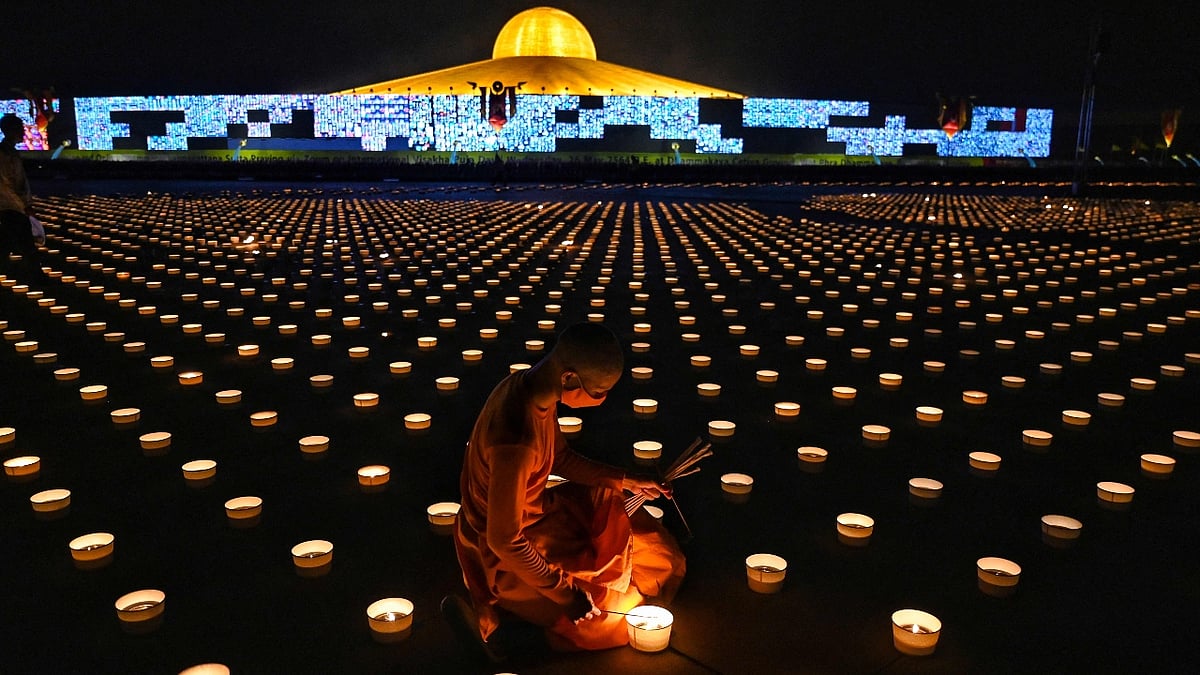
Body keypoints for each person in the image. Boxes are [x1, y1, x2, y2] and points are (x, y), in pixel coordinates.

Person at [445, 322, 686, 661]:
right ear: (570, 378)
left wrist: (626, 479)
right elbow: (505, 539)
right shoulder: (515, 439)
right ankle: (517, 641)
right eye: (599, 392)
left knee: (653, 550)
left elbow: (559, 458)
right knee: (606, 616)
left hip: (540, 515)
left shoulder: (532, 389)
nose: (602, 402)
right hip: (503, 551)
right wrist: (566, 594)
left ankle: (556, 609)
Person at [0, 113, 42, 278]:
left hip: (11, 205)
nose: (24, 132)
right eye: (20, 128)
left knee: (6, 242)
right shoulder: (4, 154)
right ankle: (37, 275)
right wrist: (24, 206)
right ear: (10, 131)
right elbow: (6, 183)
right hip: (10, 206)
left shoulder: (10, 152)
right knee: (25, 243)